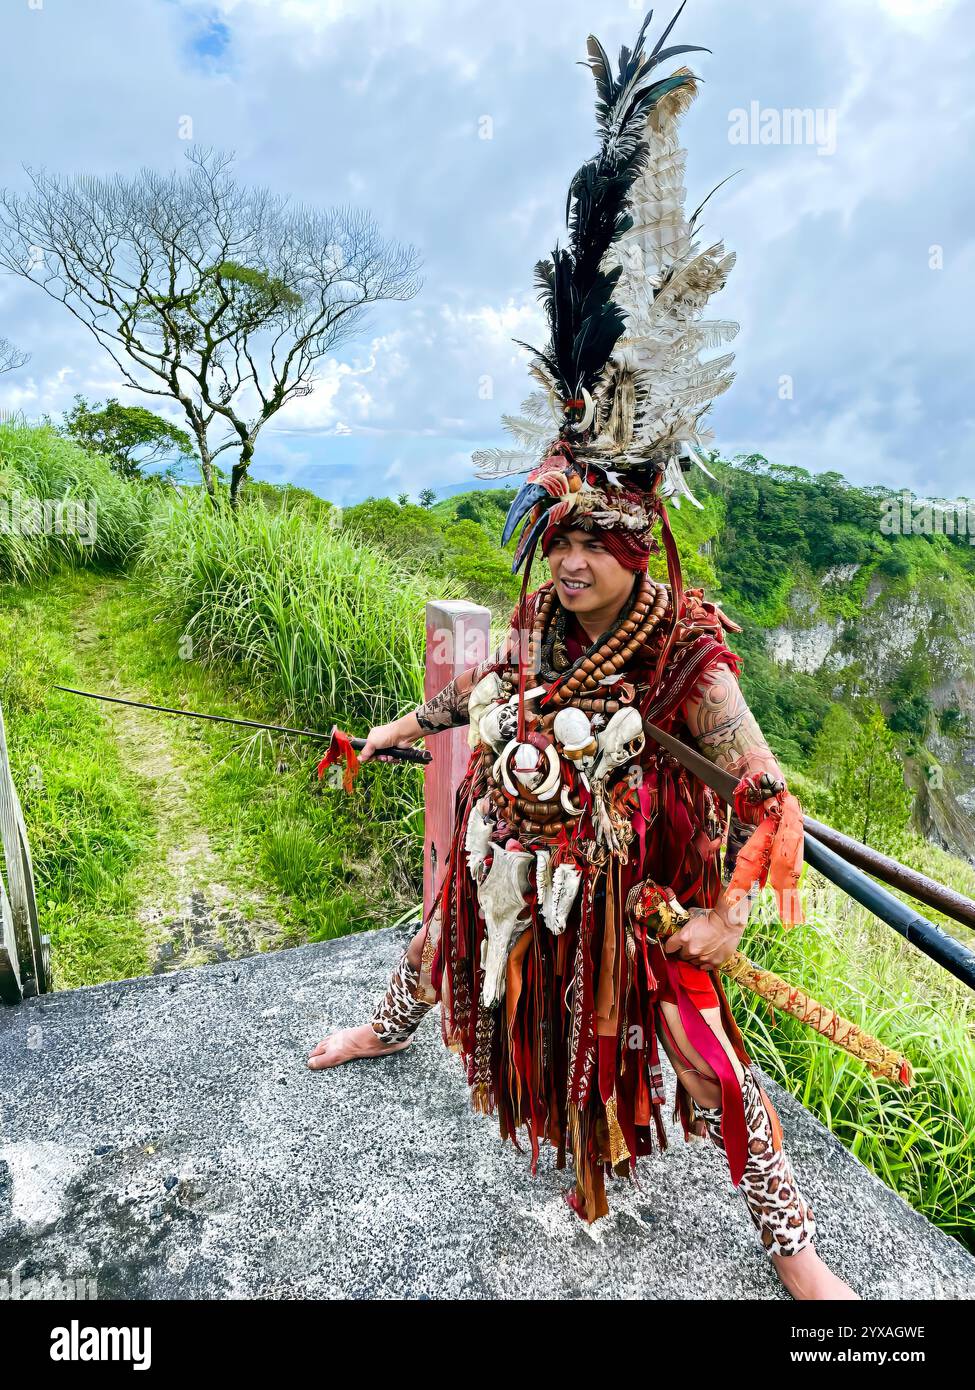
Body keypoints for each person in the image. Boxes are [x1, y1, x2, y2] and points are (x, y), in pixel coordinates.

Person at [309, 7, 861, 1300]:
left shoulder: (680, 642)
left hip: (630, 904)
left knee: (713, 1063)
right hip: (516, 854)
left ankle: (795, 1245)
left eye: (594, 542)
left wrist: (726, 909)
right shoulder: (550, 622)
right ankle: (386, 1033)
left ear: (640, 534)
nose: (568, 564)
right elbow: (488, 691)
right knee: (448, 925)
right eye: (555, 539)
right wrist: (396, 733)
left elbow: (764, 785)